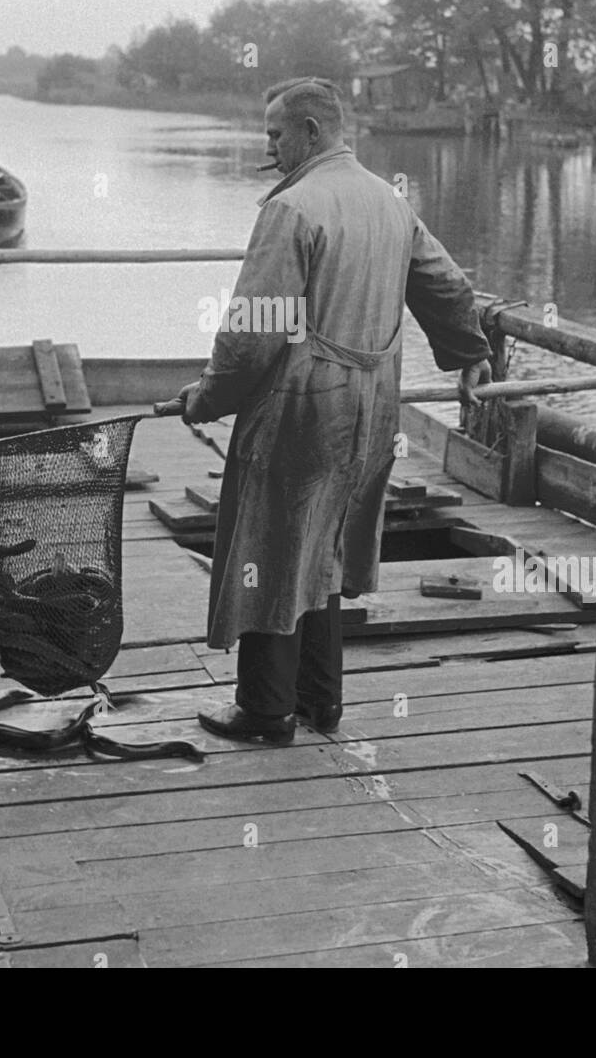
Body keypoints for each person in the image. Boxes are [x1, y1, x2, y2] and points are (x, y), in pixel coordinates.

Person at [173, 76, 492, 745]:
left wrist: (208, 398)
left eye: (274, 135)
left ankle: (264, 712)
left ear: (310, 131)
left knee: (272, 543)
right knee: (324, 545)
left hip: (303, 405)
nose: (270, 147)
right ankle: (320, 701)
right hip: (375, 403)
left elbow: (252, 332)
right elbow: (446, 285)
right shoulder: (390, 202)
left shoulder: (292, 208)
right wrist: (469, 353)